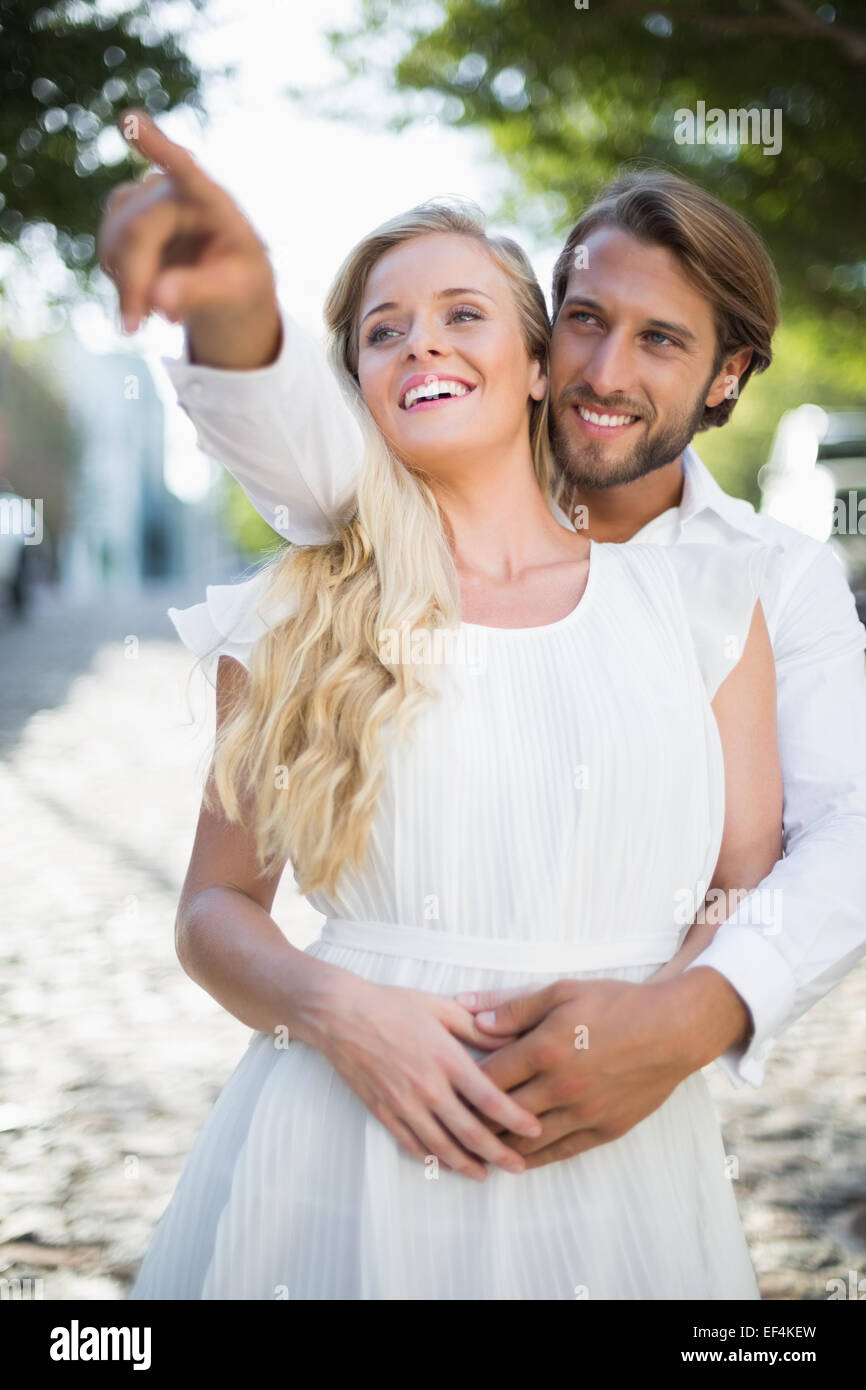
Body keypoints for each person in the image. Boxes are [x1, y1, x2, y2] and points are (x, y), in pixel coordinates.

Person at [99, 114, 866, 1182]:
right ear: (545, 349)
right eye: (585, 321)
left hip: (619, 1140)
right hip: (341, 1138)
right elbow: (295, 434)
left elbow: (832, 838)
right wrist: (232, 304)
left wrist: (679, 1019)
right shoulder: (347, 549)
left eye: (660, 340)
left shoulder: (749, 585)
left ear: (726, 377)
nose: (603, 370)